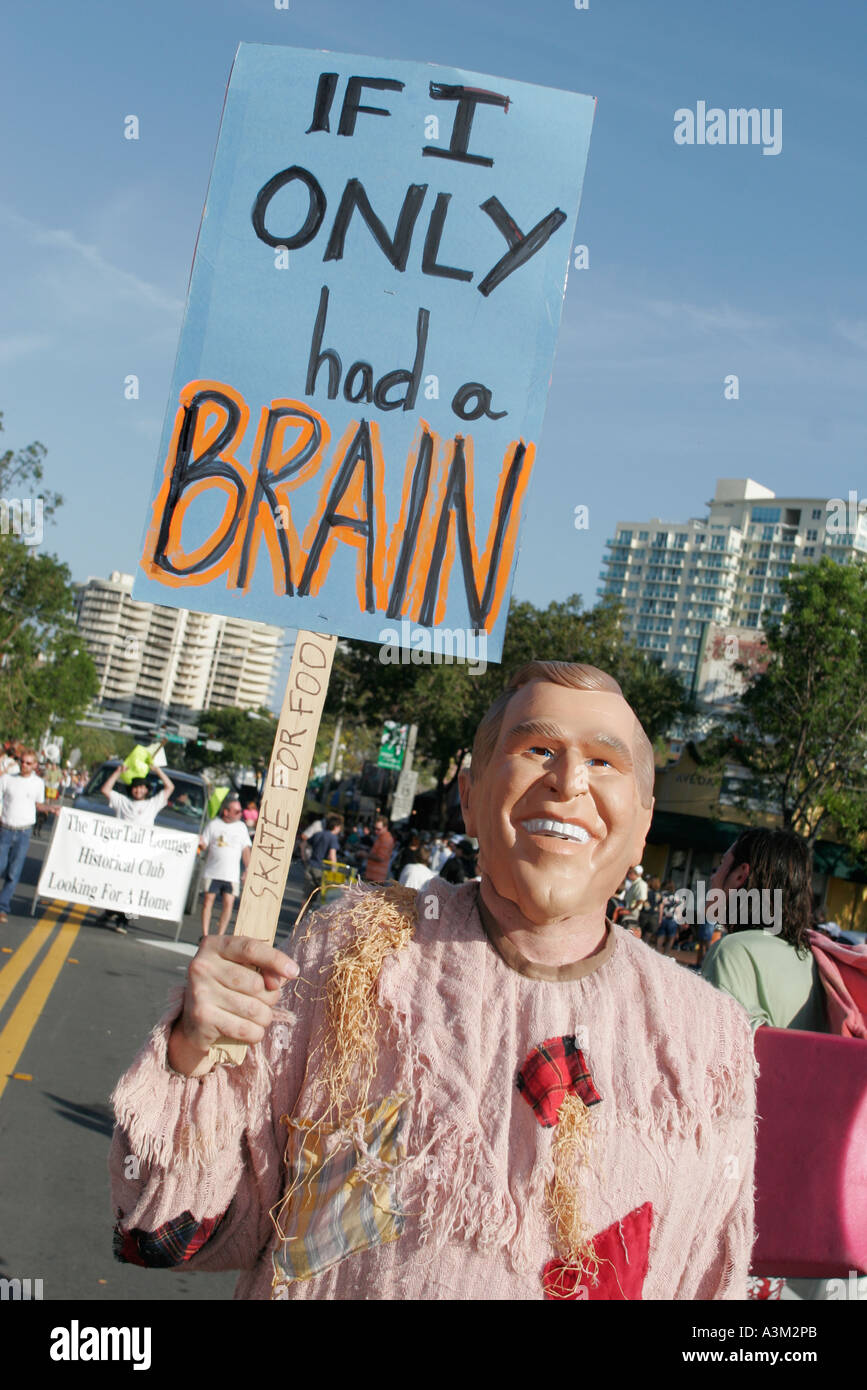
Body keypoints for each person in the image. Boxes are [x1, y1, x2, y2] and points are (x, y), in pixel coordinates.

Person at [110, 660, 756, 1300]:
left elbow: (710, 1278)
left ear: (642, 825)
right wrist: (196, 1055)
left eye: (601, 762)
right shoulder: (349, 947)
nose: (565, 781)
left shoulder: (704, 1038)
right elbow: (187, 1231)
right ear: (470, 799)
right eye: (536, 749)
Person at [700, 827, 864, 1303]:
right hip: (818, 1191)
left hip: (751, 1197)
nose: (711, 881)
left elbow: (718, 1082)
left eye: (718, 868)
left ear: (741, 877)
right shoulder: (814, 958)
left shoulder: (734, 952)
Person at [99, 756, 175, 932]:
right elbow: (106, 789)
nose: (138, 791)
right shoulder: (123, 802)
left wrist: (157, 770)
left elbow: (170, 787)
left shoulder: (152, 804)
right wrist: (118, 772)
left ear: (147, 789)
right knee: (115, 884)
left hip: (140, 855)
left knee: (134, 888)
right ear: (131, 789)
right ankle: (110, 911)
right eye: (135, 788)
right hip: (121, 852)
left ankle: (125, 920)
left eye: (141, 787)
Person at [0, 750, 56, 922]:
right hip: (6, 829)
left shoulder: (38, 783)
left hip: (24, 832)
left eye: (28, 763)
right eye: (22, 762)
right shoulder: (7, 779)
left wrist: (52, 809)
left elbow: (38, 805)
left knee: (13, 872)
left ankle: (3, 907)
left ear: (35, 766)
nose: (24, 765)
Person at [200, 798, 252, 937]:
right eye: (236, 811)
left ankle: (219, 935)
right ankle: (205, 935)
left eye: (241, 811)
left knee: (228, 904)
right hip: (212, 871)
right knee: (208, 902)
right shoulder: (213, 825)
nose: (240, 814)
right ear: (226, 811)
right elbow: (204, 845)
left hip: (231, 874)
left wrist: (247, 869)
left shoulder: (241, 827)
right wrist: (199, 842)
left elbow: (245, 849)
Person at [305, 814, 343, 893]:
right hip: (321, 868)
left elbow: (304, 844)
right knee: (319, 894)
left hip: (310, 864)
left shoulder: (318, 833)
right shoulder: (333, 837)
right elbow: (332, 855)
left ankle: (304, 905)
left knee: (307, 893)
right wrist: (334, 869)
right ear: (336, 827)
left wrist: (304, 857)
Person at [363, 815, 394, 884]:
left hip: (377, 878)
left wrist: (366, 855)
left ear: (385, 827)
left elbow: (380, 858)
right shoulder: (381, 837)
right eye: (374, 828)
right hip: (373, 876)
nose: (375, 831)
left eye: (378, 829)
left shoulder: (386, 839)